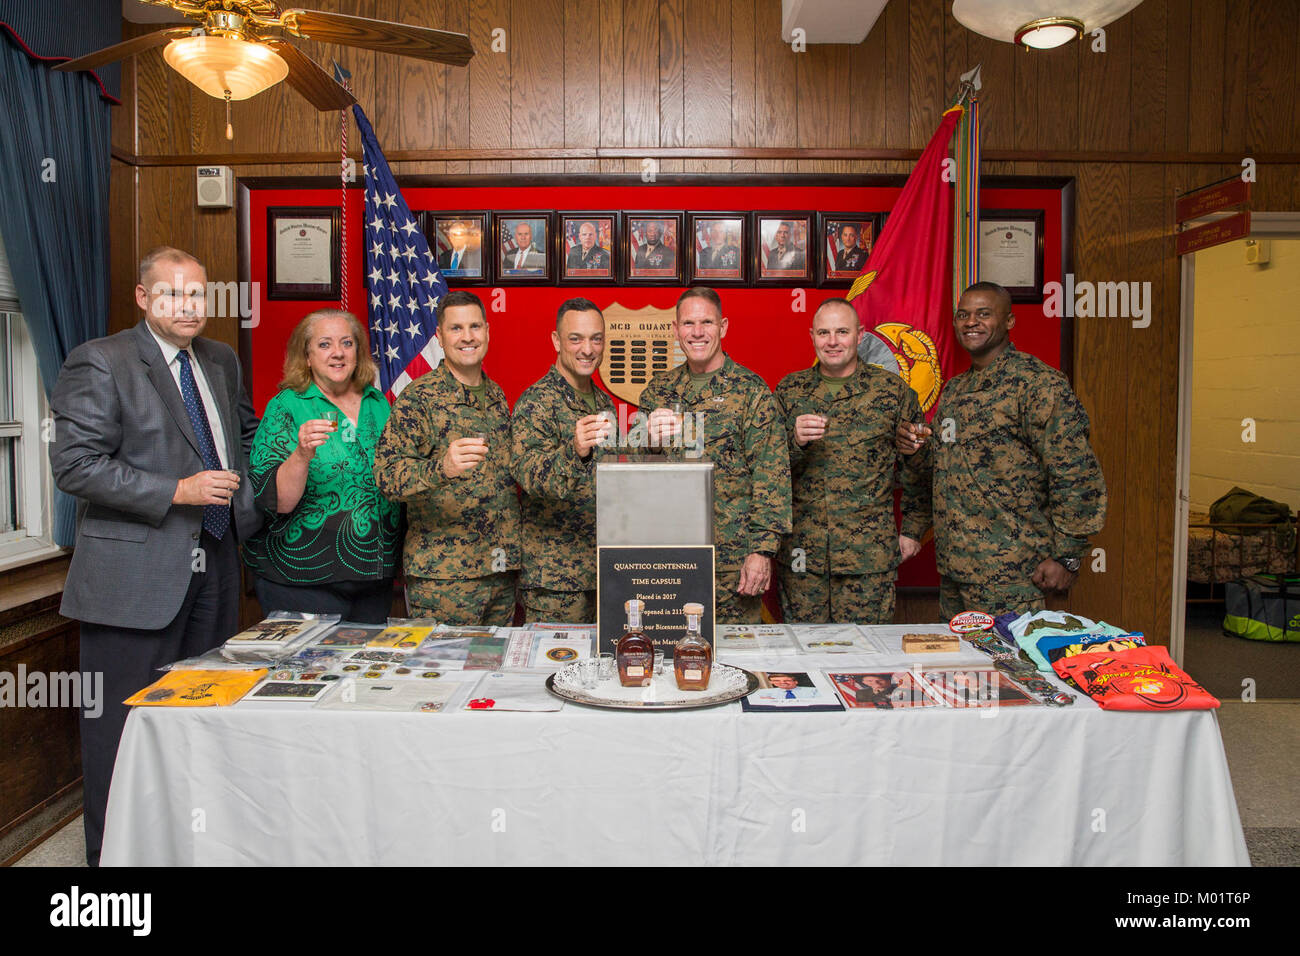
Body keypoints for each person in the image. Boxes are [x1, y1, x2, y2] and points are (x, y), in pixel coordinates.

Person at [48, 246, 259, 866]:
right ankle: (110, 864)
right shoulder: (102, 361)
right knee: (121, 728)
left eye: (197, 294)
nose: (188, 306)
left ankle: (184, 846)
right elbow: (75, 466)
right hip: (133, 578)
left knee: (199, 714)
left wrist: (249, 499)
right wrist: (178, 491)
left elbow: (239, 439)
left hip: (216, 564)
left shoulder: (220, 359)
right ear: (144, 299)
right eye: (172, 294)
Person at [897, 281, 1107, 619]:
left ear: (1008, 321)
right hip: (955, 569)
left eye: (983, 314)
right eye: (963, 315)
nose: (971, 322)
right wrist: (916, 447)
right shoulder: (955, 390)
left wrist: (1068, 556)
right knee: (961, 672)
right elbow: (942, 469)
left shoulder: (1037, 384)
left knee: (1011, 670)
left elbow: (1075, 472)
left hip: (1014, 575)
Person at [640, 287, 791, 623]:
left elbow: (772, 476)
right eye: (688, 323)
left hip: (731, 562)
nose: (697, 332)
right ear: (675, 329)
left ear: (722, 327)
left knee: (735, 659)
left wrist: (761, 551)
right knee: (669, 657)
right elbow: (636, 477)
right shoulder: (657, 392)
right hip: (668, 555)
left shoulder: (751, 391)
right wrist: (648, 440)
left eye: (706, 322)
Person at [242, 309, 402, 623]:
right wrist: (301, 454)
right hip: (303, 580)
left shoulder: (377, 402)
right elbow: (280, 502)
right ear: (307, 356)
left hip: (375, 576)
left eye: (347, 343)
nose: (338, 353)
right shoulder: (287, 406)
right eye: (325, 345)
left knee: (365, 671)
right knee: (311, 672)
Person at [774, 298, 927, 624]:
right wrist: (794, 441)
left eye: (842, 332)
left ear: (860, 336)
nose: (832, 341)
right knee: (803, 657)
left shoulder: (892, 392)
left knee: (866, 661)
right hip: (803, 559)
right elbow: (767, 472)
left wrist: (913, 530)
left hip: (867, 561)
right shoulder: (789, 391)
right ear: (812, 336)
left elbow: (921, 464)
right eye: (824, 332)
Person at [373, 290, 520, 625]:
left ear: (487, 332)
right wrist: (442, 468)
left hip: (499, 569)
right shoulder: (419, 398)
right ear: (439, 336)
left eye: (474, 327)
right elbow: (386, 477)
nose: (467, 337)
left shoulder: (496, 395)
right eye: (456, 329)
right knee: (446, 674)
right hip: (444, 577)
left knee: (495, 671)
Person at [510, 298, 615, 623]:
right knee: (551, 670)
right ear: (556, 341)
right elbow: (527, 474)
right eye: (576, 338)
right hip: (555, 581)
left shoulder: (603, 401)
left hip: (604, 573)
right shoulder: (536, 402)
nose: (587, 349)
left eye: (596, 338)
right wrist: (574, 451)